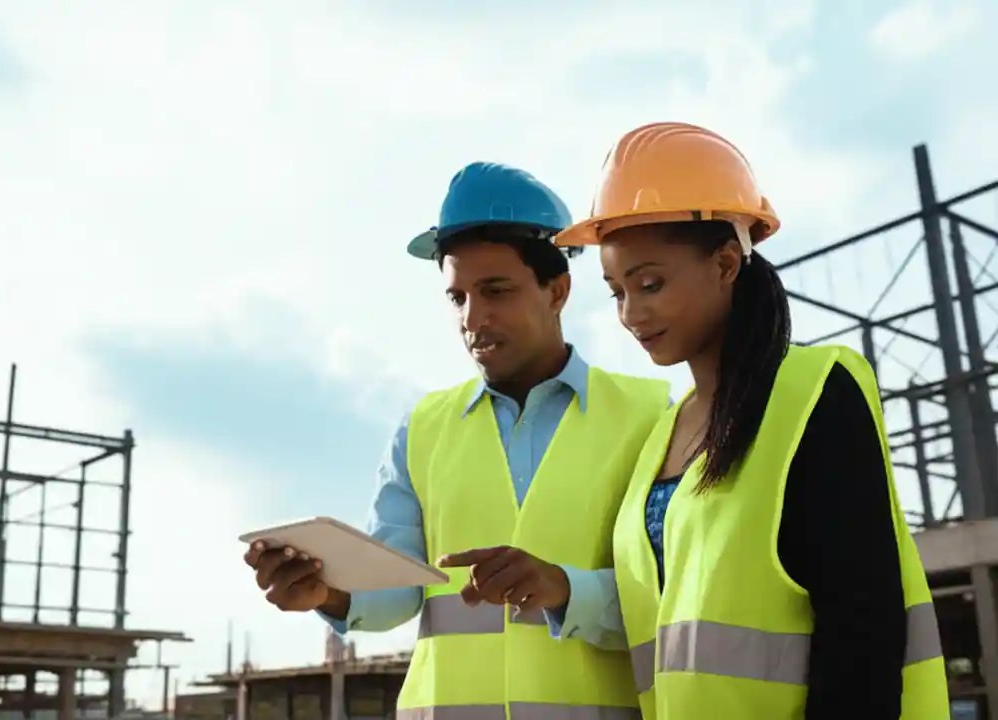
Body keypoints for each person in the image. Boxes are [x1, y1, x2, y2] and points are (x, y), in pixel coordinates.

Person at [243, 161, 672, 718]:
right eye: (457, 298)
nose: (474, 317)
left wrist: (566, 588)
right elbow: (399, 586)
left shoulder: (651, 416)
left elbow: (671, 593)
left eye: (496, 291)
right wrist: (327, 593)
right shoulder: (422, 428)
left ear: (558, 290)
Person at [551, 121, 950, 718]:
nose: (631, 314)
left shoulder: (814, 390)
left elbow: (862, 627)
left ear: (727, 263)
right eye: (616, 292)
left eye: (650, 283)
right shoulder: (666, 433)